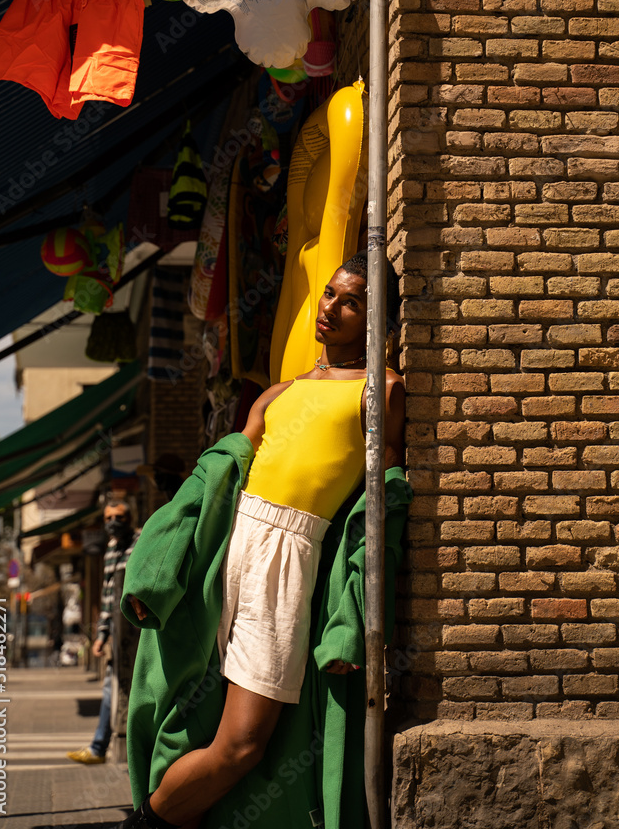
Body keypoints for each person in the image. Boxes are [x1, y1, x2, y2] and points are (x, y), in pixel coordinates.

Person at [117, 250, 408, 828]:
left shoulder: (383, 392)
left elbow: (384, 506)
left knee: (245, 745)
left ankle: (145, 822)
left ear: (378, 323)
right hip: (230, 550)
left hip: (290, 561)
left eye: (353, 303)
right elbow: (215, 476)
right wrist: (163, 561)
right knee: (199, 718)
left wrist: (354, 612)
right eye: (330, 294)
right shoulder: (280, 391)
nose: (333, 309)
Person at [67, 497, 138, 764]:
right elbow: (108, 596)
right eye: (108, 518)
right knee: (113, 684)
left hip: (138, 631)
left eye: (118, 517)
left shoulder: (140, 543)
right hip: (118, 633)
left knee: (118, 686)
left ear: (129, 519)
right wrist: (101, 635)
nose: (112, 523)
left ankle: (104, 746)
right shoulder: (110, 550)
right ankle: (102, 746)